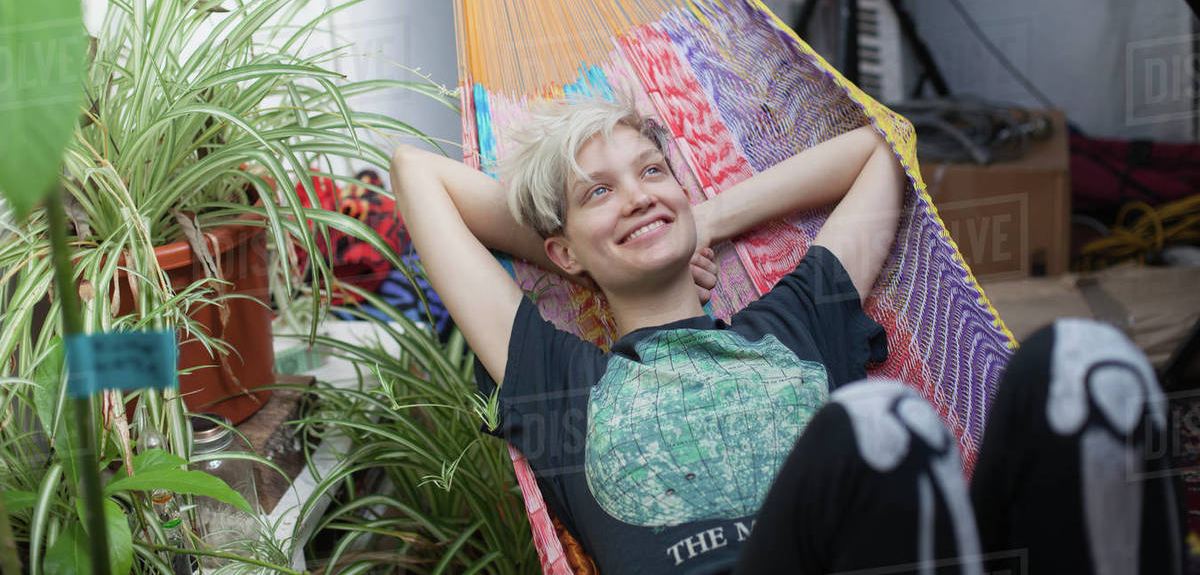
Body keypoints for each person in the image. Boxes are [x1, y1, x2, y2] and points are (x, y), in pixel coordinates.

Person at [389, 96, 1185, 574]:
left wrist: (701, 220)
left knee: (1082, 368)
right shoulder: (562, 381)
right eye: (600, 190)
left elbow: (879, 151)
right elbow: (415, 173)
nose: (636, 196)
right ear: (560, 249)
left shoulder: (797, 324)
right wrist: (581, 250)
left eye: (652, 172)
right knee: (882, 428)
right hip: (859, 482)